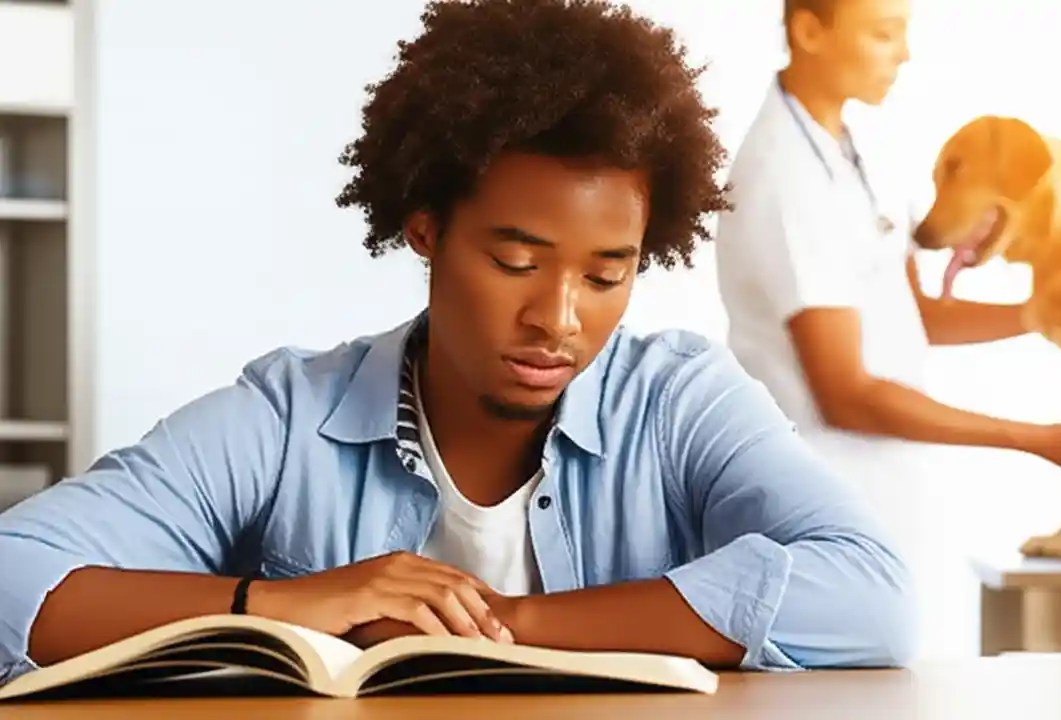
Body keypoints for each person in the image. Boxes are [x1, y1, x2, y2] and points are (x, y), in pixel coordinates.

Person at [0, 0, 916, 686]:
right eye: (516, 260)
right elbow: (14, 574)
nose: (558, 318)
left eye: (606, 276)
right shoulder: (289, 417)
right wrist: (279, 605)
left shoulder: (679, 402)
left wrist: (508, 623)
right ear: (427, 228)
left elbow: (873, 592)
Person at [712, 0, 1061, 655]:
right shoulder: (782, 178)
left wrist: (1050, 314)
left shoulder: (858, 154)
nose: (903, 54)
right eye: (884, 33)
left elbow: (916, 319)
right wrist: (1038, 438)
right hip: (815, 514)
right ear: (809, 30)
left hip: (886, 504)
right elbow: (846, 392)